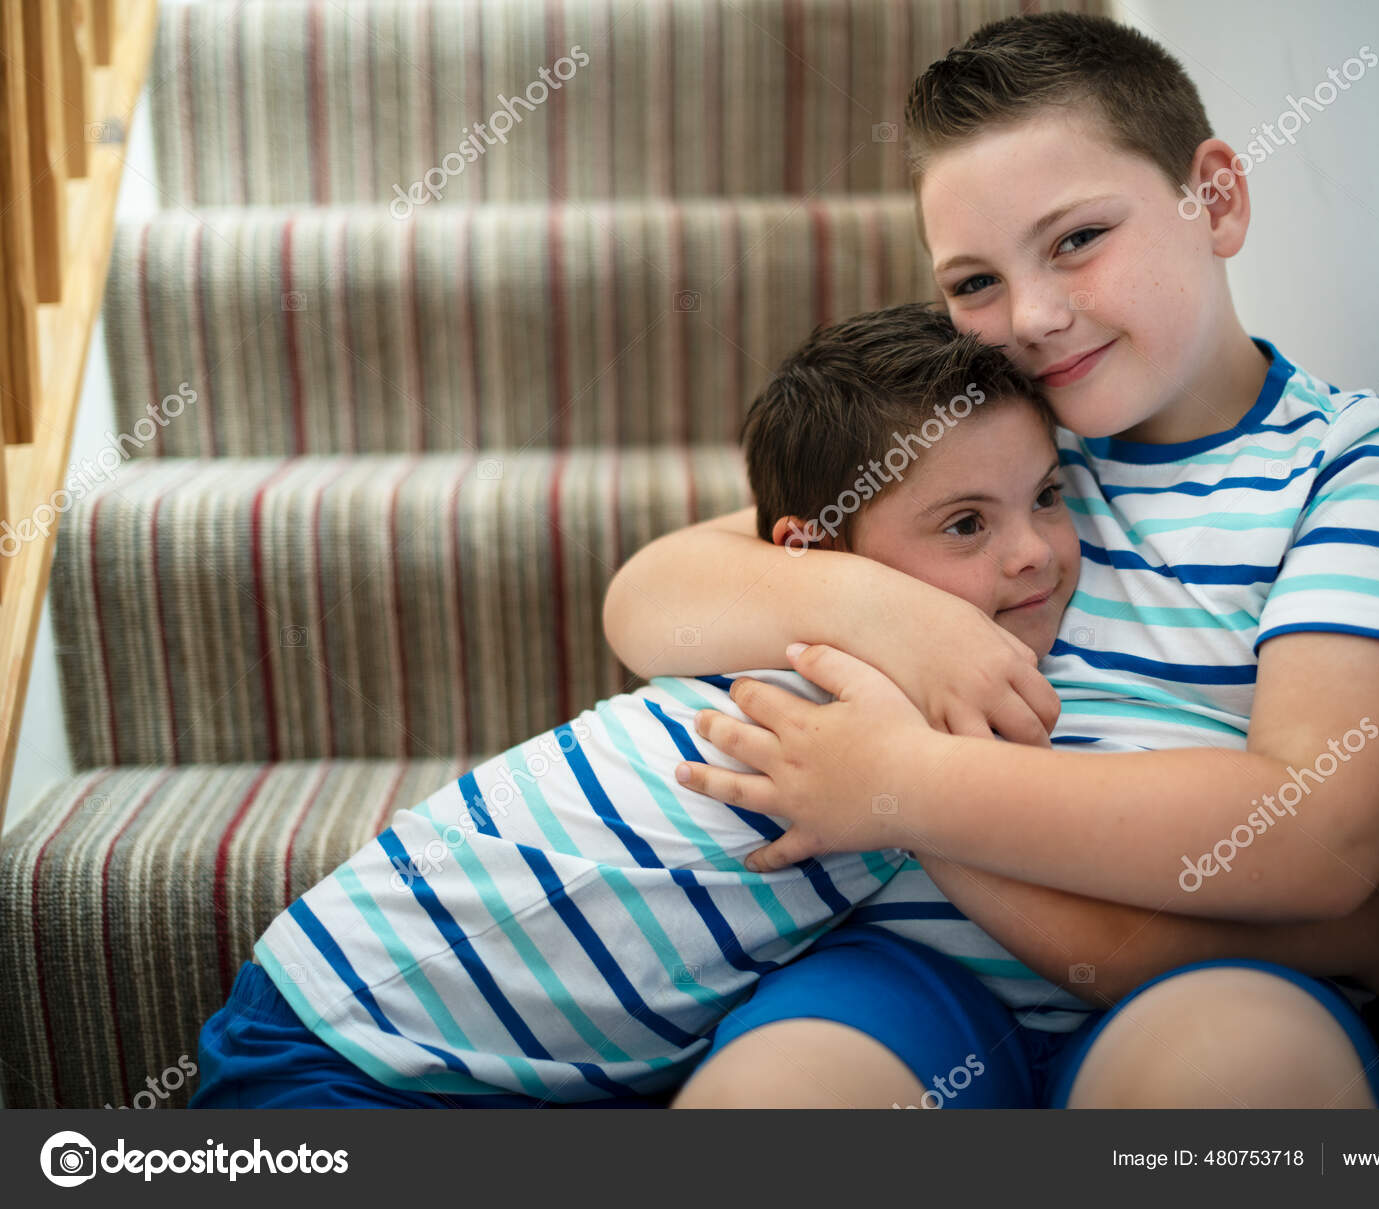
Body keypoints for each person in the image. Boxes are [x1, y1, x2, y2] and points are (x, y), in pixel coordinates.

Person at [605, 12, 1379, 1110]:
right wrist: (896, 617)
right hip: (894, 975)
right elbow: (652, 597)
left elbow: (1319, 833)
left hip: (1212, 971)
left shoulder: (1357, 471)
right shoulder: (992, 444)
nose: (1033, 317)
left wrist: (904, 784)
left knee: (1243, 1079)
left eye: (1075, 240)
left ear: (1214, 198)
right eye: (973, 283)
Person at [189, 304, 1085, 1107]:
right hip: (345, 1047)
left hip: (502, 1063)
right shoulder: (875, 703)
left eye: (1047, 496)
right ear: (812, 554)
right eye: (966, 523)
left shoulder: (800, 641)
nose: (1032, 554)